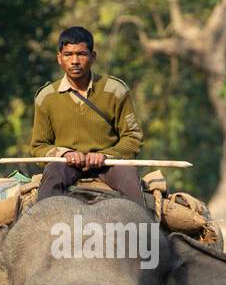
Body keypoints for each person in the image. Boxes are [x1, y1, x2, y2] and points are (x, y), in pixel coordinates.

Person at [30, 25, 145, 205]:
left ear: (93, 56)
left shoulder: (115, 90)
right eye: (68, 55)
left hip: (109, 165)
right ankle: (44, 227)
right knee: (50, 179)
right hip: (65, 165)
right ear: (59, 58)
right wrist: (64, 153)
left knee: (130, 180)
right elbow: (39, 146)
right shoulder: (46, 97)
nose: (75, 61)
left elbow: (133, 138)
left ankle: (144, 231)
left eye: (81, 54)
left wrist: (106, 155)